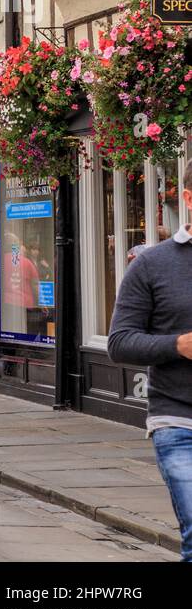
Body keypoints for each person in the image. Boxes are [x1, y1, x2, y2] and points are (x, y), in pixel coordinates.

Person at [108, 166, 192, 562]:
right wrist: (177, 345)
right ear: (189, 200)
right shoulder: (153, 264)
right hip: (179, 420)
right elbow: (120, 342)